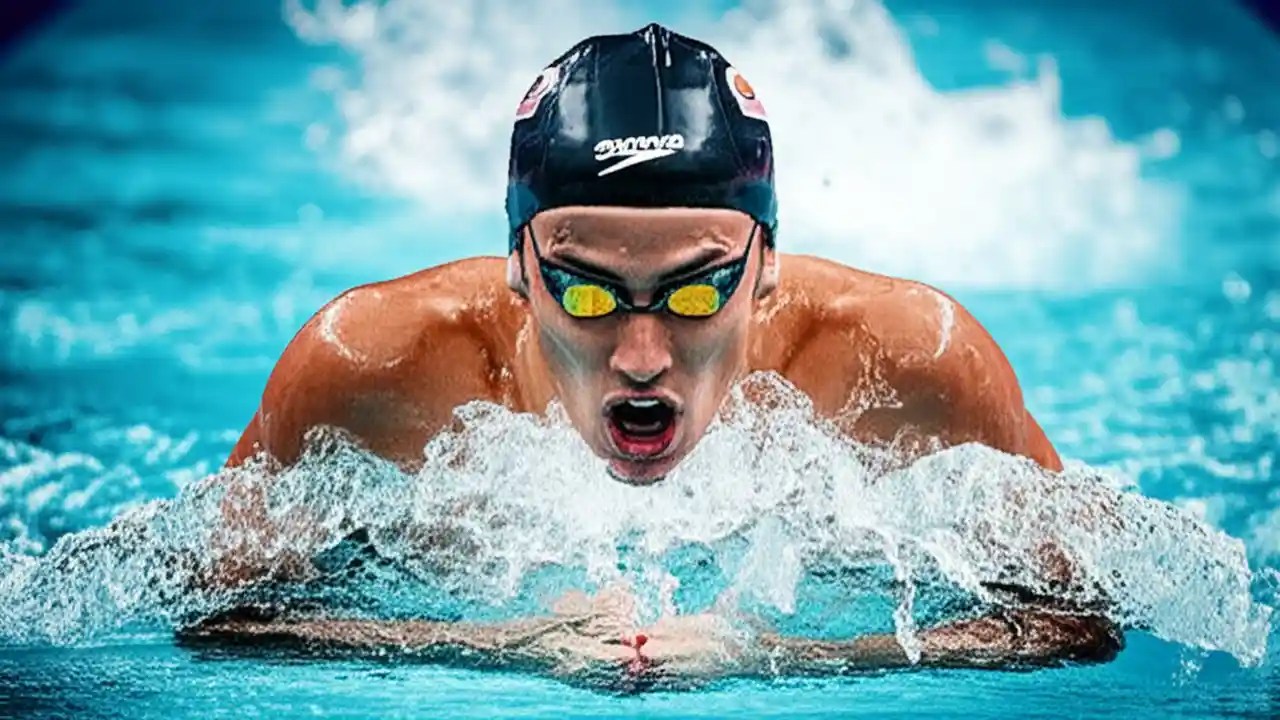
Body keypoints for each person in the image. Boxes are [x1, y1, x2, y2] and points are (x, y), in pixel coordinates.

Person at [204, 23, 1120, 677]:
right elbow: (212, 618)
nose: (641, 355)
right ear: (518, 265)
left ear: (766, 264)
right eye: (587, 291)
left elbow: (1087, 621)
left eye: (695, 291)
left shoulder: (912, 363)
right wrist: (502, 641)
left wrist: (780, 658)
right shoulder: (368, 366)